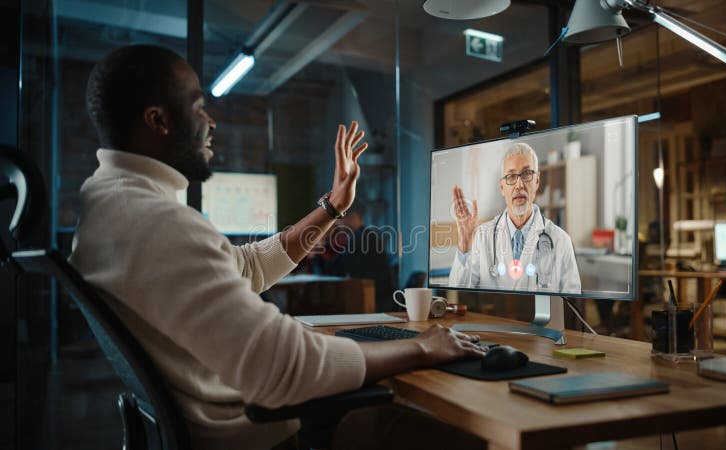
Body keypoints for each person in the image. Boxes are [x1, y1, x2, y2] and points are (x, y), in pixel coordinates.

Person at [69, 45, 485, 450]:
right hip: (260, 436)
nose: (210, 122)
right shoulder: (156, 223)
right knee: (464, 437)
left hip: (229, 425)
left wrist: (333, 206)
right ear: (158, 120)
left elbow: (247, 267)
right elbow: (287, 365)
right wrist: (421, 347)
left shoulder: (109, 205)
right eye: (198, 107)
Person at [448, 142, 581, 293]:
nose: (519, 185)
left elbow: (571, 301)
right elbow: (458, 293)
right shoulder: (482, 237)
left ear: (537, 181)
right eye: (511, 176)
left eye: (526, 174)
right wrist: (464, 242)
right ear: (502, 188)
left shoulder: (561, 241)